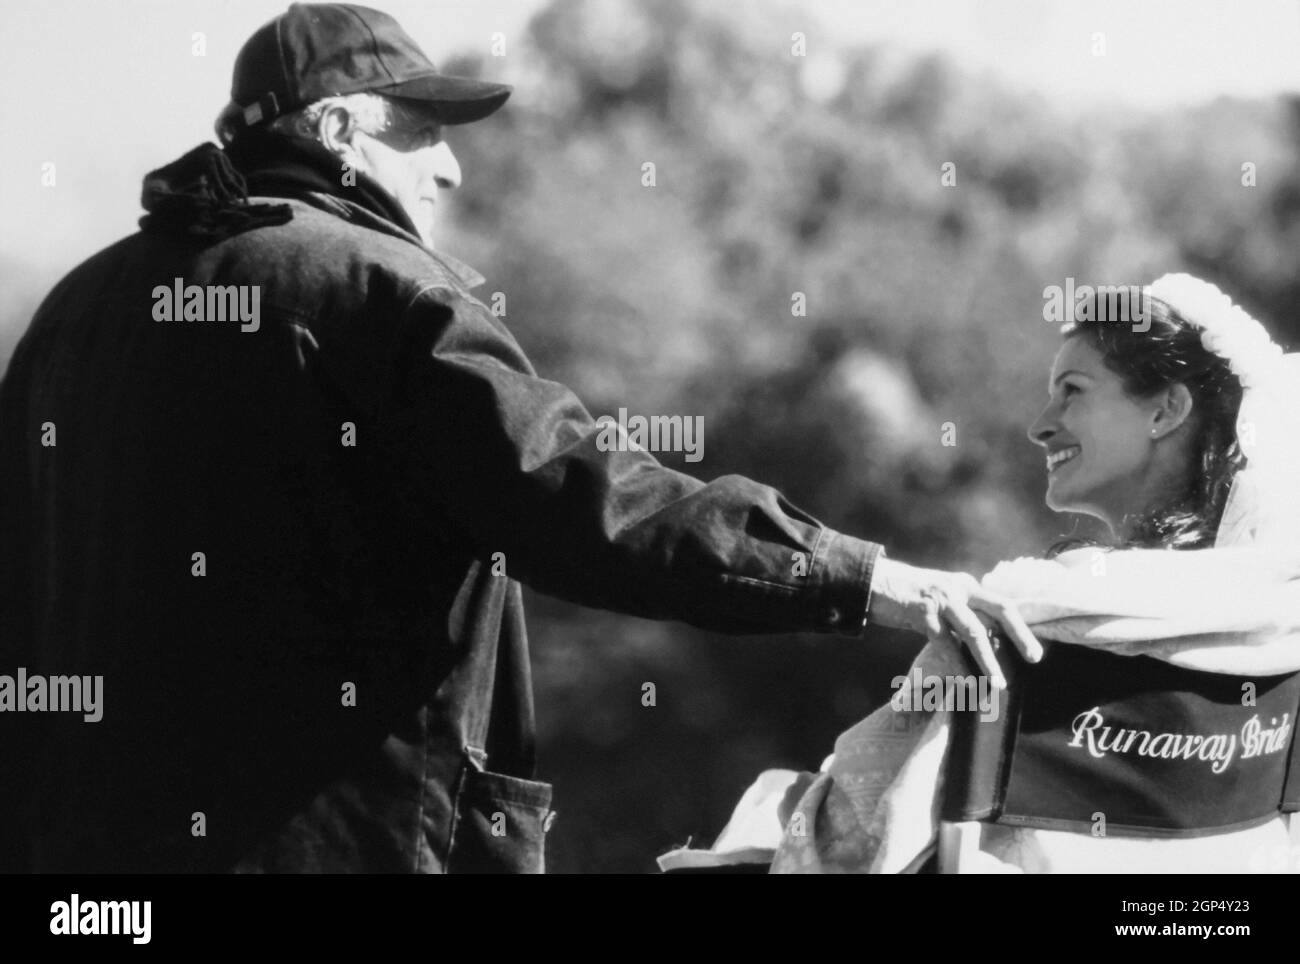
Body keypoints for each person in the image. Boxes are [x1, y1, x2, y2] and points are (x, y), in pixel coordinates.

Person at [0, 2, 1038, 873]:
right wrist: (858, 575)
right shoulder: (378, 290)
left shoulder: (69, 317)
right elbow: (577, 494)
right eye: (424, 132)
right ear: (339, 132)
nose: (449, 171)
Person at [768, 274, 1300, 873]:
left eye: (1073, 391)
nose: (1040, 425)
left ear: (1167, 409)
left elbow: (853, 842)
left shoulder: (1019, 622)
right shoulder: (1278, 628)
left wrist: (777, 808)